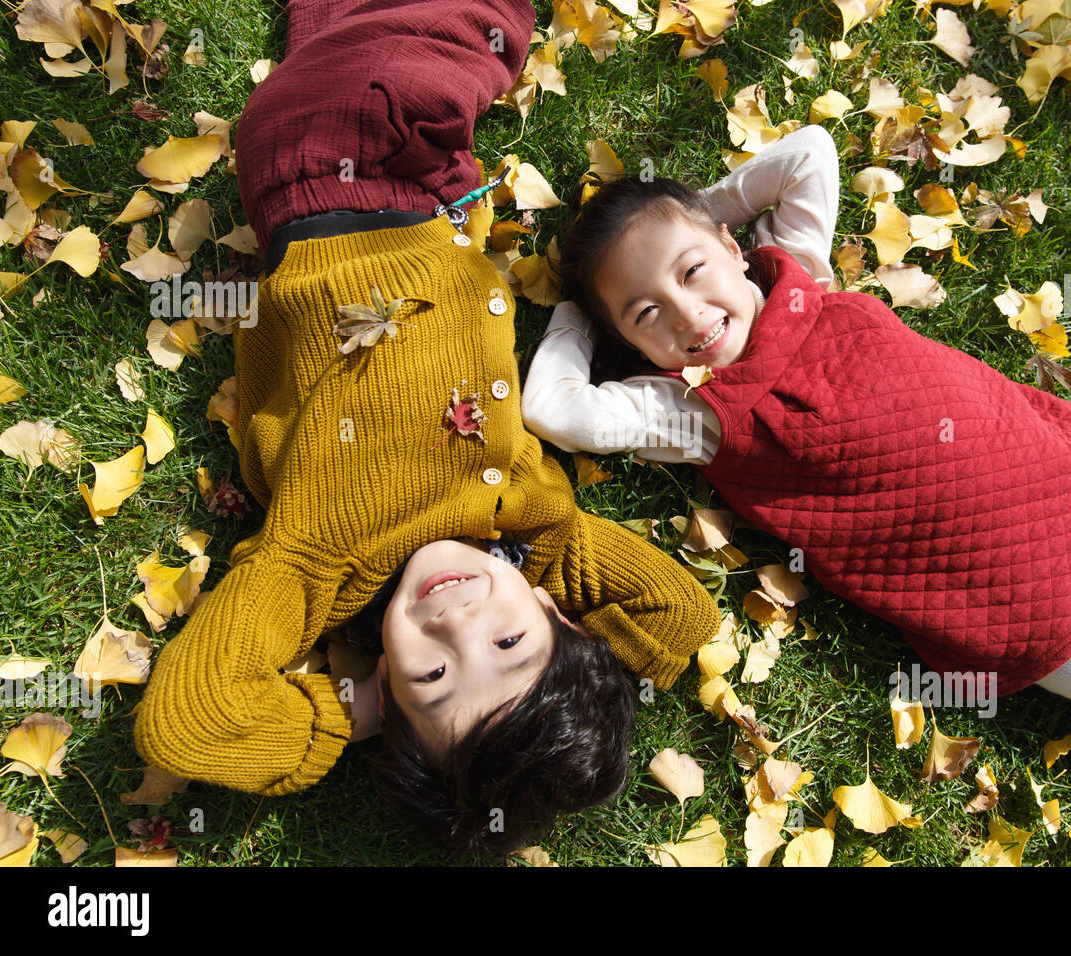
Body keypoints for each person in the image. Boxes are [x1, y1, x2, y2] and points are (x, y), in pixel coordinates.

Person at [520, 122, 1071, 851]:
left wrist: (692, 211)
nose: (689, 313)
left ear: (733, 246)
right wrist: (575, 315)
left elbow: (812, 151)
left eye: (694, 270)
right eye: (646, 314)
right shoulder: (693, 415)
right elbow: (551, 407)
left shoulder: (801, 273)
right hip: (1038, 608)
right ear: (630, 344)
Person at [133, 0, 722, 858]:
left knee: (477, 24)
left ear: (390, 690)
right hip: (434, 194)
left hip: (331, 168)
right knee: (391, 25)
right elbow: (684, 614)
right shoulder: (535, 540)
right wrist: (592, 666)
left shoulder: (319, 565)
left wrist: (355, 710)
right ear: (555, 611)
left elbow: (187, 725)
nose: (457, 622)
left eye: (434, 676)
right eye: (510, 642)